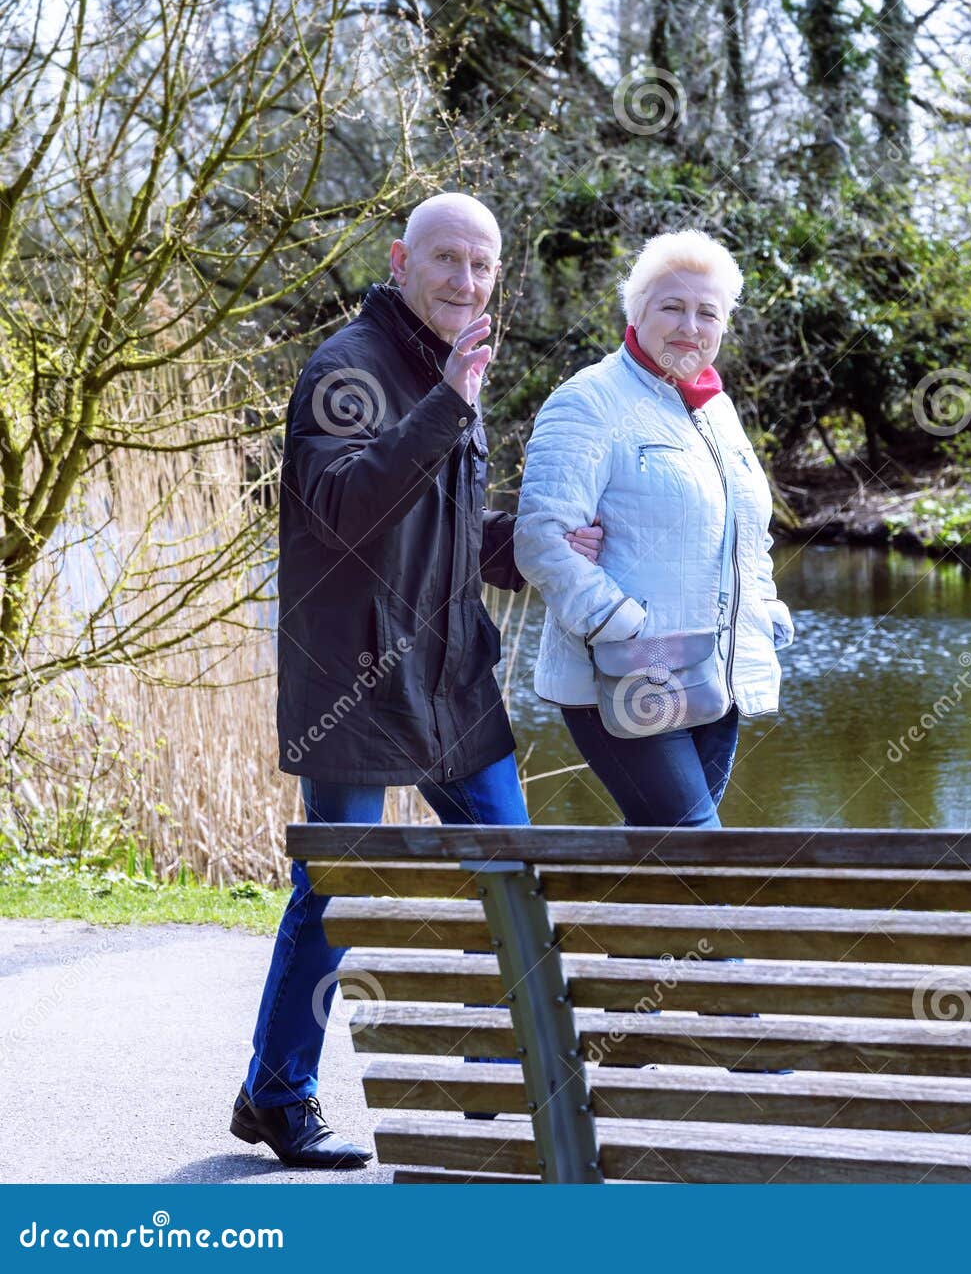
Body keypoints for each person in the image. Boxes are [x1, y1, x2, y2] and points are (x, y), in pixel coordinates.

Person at [231, 193, 602, 1169]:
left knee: (509, 867)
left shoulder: (452, 371)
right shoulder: (344, 371)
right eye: (446, 259)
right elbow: (349, 510)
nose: (464, 281)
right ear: (401, 259)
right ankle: (278, 1093)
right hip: (354, 677)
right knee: (335, 886)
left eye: (481, 267)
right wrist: (450, 406)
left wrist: (530, 548)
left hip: (451, 678)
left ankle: (501, 1071)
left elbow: (440, 534)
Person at [514, 229, 794, 828]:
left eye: (707, 313)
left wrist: (763, 610)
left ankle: (602, 927)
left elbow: (751, 533)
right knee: (698, 849)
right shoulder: (589, 401)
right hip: (627, 674)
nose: (689, 326)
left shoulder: (717, 411)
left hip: (716, 674)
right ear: (636, 312)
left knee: (664, 861)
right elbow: (542, 539)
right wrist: (620, 627)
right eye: (672, 306)